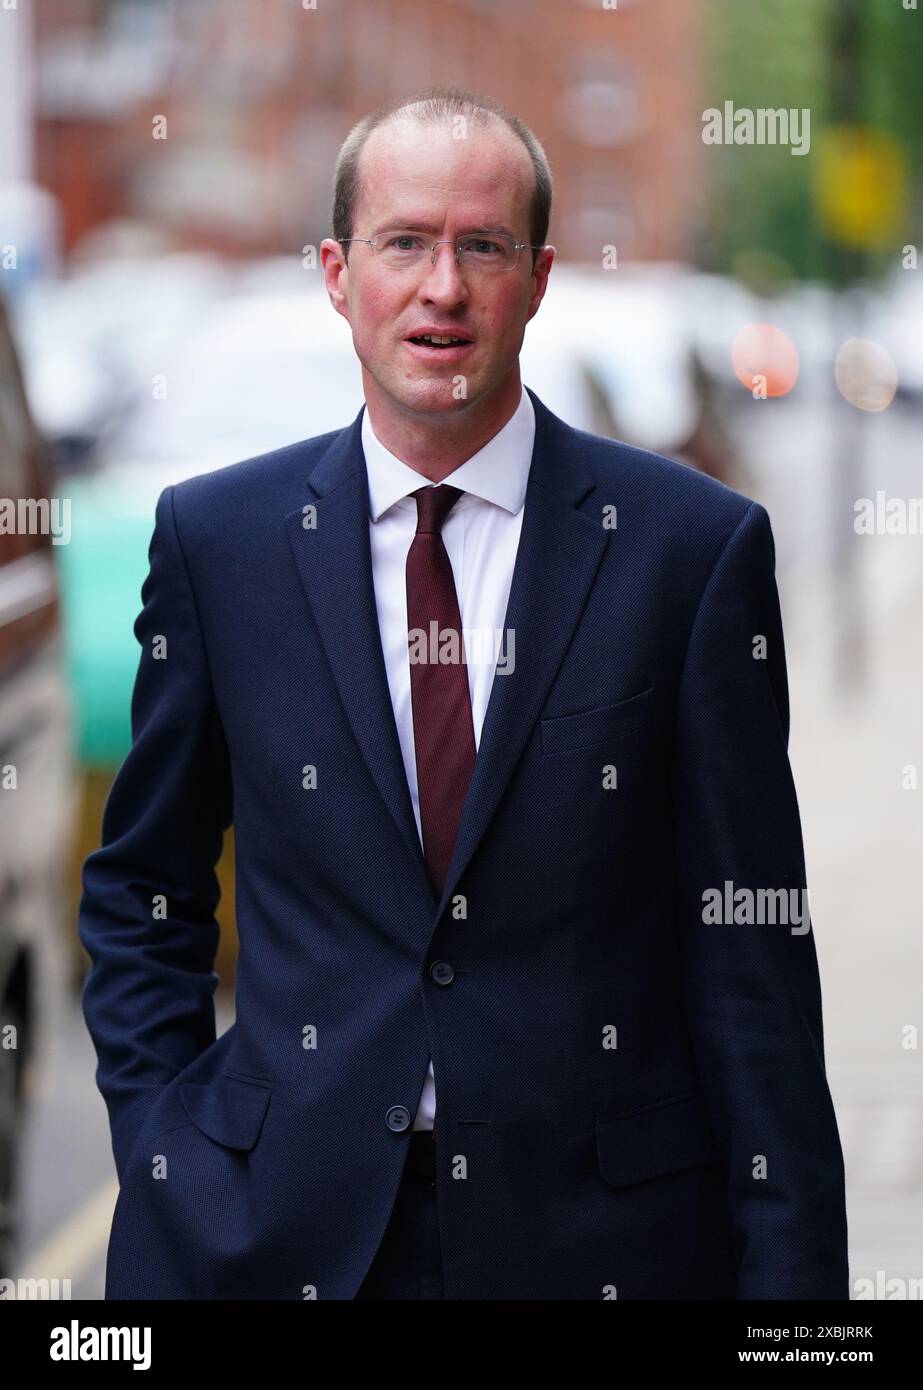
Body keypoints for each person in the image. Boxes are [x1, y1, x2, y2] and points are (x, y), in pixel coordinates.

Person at [78, 86, 849, 1300]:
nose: (442, 287)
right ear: (338, 273)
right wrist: (168, 1151)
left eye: (480, 246)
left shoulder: (686, 552)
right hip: (279, 1246)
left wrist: (796, 1299)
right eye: (404, 242)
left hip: (602, 1250)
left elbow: (747, 944)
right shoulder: (217, 544)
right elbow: (145, 891)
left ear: (536, 277)